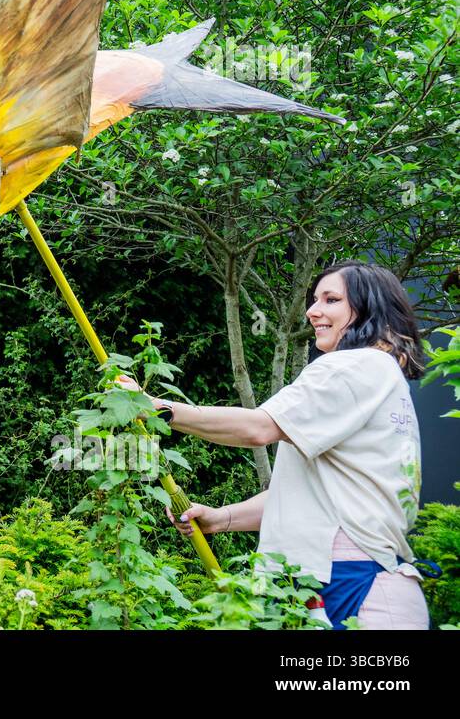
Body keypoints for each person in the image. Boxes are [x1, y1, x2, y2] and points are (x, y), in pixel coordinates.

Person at [124, 260, 431, 629]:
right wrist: (222, 518)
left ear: (367, 308)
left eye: (331, 300)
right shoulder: (381, 374)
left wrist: (161, 409)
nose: (313, 311)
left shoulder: (353, 366)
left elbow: (259, 428)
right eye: (314, 299)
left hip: (350, 583)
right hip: (364, 581)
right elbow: (311, 494)